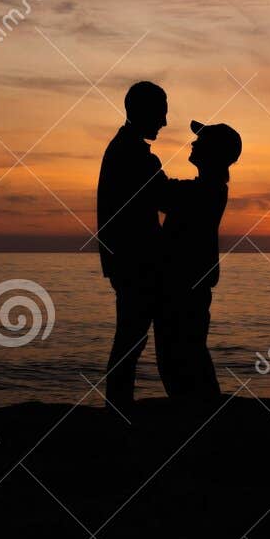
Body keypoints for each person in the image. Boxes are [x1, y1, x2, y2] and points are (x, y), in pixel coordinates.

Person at [157, 120, 242, 404]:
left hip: (185, 286)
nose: (192, 143)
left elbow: (162, 193)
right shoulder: (207, 188)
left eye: (200, 140)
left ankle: (199, 415)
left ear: (213, 153)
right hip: (189, 284)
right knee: (187, 353)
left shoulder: (206, 191)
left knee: (181, 354)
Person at [96, 81, 168, 414]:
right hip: (134, 264)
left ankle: (119, 407)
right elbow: (165, 197)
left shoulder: (122, 149)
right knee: (130, 341)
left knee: (130, 339)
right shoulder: (134, 155)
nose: (165, 123)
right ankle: (118, 409)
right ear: (145, 112)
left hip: (125, 262)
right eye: (161, 114)